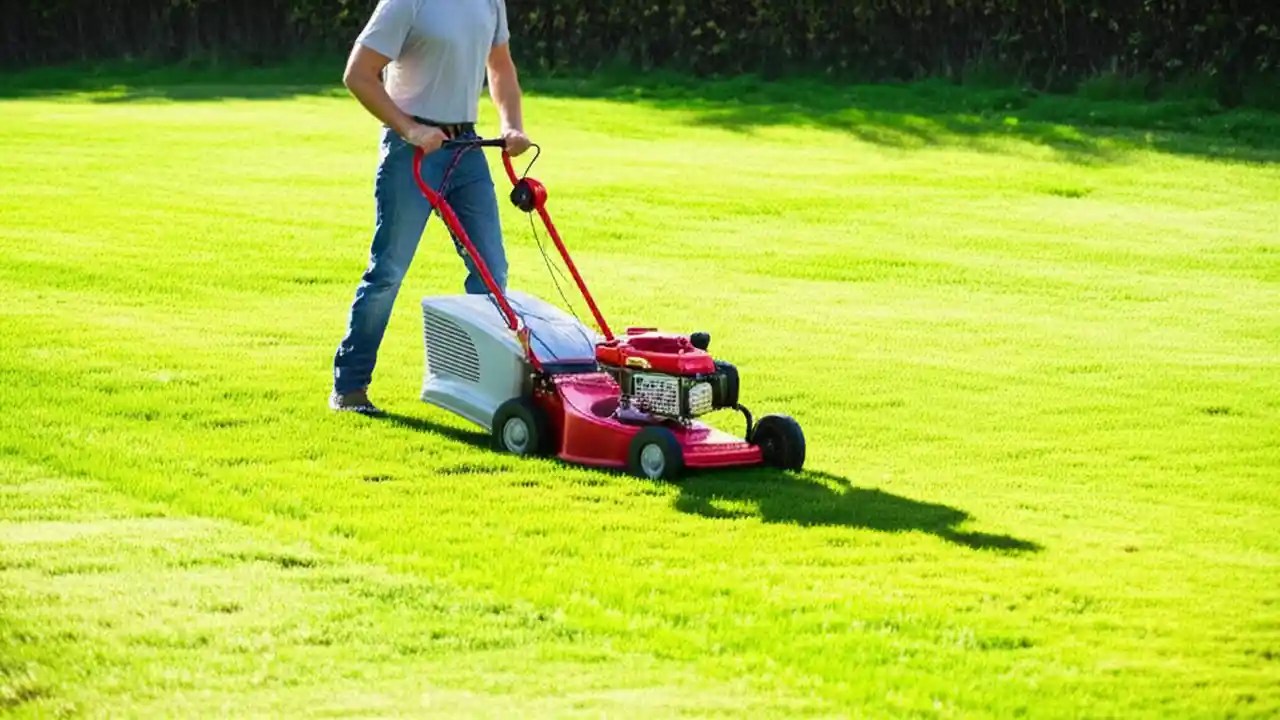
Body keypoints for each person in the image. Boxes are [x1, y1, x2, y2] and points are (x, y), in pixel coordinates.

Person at [330, 0, 532, 415]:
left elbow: (501, 66)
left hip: (466, 148)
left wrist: (512, 124)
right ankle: (349, 388)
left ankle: (480, 387)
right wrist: (410, 129)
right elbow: (359, 74)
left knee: (491, 274)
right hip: (411, 151)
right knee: (387, 272)